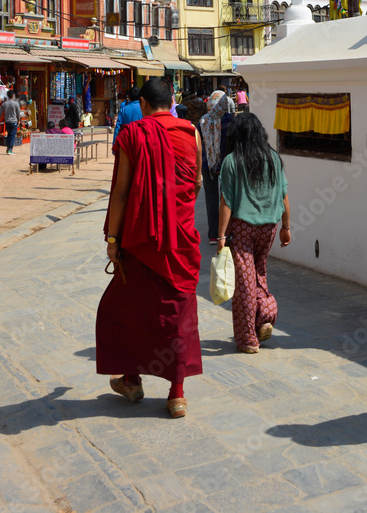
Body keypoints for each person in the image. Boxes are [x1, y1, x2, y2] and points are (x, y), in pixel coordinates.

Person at [96, 77, 203, 417]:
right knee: (177, 315)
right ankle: (177, 394)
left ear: (142, 105)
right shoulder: (191, 133)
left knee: (128, 310)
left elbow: (122, 192)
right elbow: (197, 183)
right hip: (180, 241)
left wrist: (113, 239)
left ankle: (132, 377)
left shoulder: (132, 134)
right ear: (172, 100)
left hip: (141, 241)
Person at [218, 113, 290, 353]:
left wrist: (220, 237)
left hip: (243, 228)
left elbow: (226, 202)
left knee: (245, 285)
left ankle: (248, 337)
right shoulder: (273, 159)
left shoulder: (232, 161)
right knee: (259, 275)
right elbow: (284, 196)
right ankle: (266, 316)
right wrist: (286, 228)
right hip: (270, 227)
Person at [199, 90, 235, 245]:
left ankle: (213, 235)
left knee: (211, 198)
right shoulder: (230, 119)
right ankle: (226, 232)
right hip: (227, 164)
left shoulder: (203, 121)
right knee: (226, 197)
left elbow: (199, 144)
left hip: (207, 164)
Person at [112, 86, 142, 151]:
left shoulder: (124, 110)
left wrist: (115, 146)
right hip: (141, 143)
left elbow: (117, 128)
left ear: (129, 97)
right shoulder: (144, 109)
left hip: (127, 144)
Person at [0, 89, 21, 155]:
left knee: (9, 135)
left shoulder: (4, 104)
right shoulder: (16, 103)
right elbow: (18, 113)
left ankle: (8, 148)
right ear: (13, 96)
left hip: (7, 121)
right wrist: (19, 120)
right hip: (14, 121)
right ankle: (10, 149)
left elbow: (0, 113)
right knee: (12, 135)